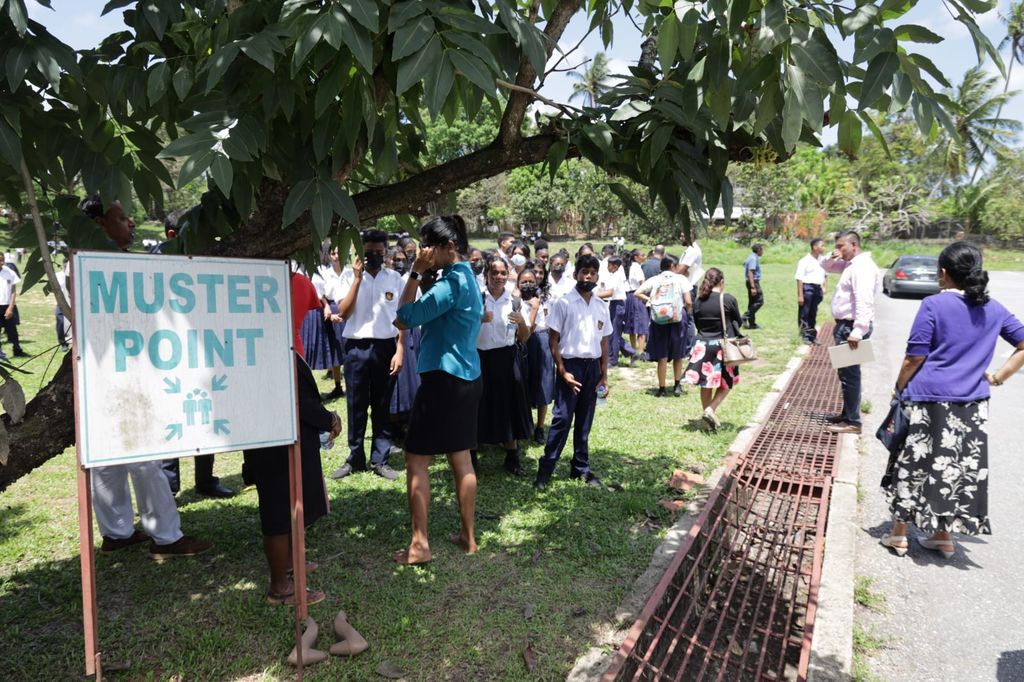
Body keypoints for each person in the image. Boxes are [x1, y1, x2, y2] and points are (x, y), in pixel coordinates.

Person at [80, 195, 211, 559]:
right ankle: (165, 537)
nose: (132, 224)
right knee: (142, 457)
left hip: (114, 370)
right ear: (100, 225)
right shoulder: (90, 264)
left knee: (111, 458)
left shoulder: (108, 262)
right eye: (122, 218)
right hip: (119, 372)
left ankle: (118, 532)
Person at [880, 241, 1024, 559]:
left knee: (914, 464)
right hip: (972, 405)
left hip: (927, 399)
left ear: (943, 273)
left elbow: (914, 357)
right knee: (954, 469)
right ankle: (943, 537)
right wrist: (998, 376)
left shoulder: (933, 305)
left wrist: (898, 388)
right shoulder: (995, 309)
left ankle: (900, 535)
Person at [244, 269, 342, 604]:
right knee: (277, 511)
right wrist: (329, 417)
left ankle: (288, 565)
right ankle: (280, 586)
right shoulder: (269, 347)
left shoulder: (267, 341)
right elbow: (297, 400)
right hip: (275, 438)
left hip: (279, 436)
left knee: (287, 506)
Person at [393, 215, 482, 564]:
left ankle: (419, 545)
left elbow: (404, 317)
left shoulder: (450, 284)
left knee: (416, 460)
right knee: (461, 457)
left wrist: (415, 273)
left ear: (448, 246)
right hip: (468, 377)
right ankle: (468, 536)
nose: (425, 252)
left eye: (430, 246)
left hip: (442, 380)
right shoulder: (469, 279)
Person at [331, 230, 405, 482]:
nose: (374, 256)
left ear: (386, 253)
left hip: (386, 347)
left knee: (382, 405)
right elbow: (343, 312)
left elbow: (403, 317)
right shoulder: (347, 277)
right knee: (356, 405)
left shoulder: (395, 279)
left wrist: (400, 349)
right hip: (357, 348)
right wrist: (357, 279)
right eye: (368, 252)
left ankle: (380, 459)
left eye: (379, 253)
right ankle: (355, 457)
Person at [533, 254, 611, 491]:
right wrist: (563, 371)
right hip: (570, 367)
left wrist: (604, 375)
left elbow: (605, 342)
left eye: (592, 273)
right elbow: (553, 340)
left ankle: (581, 469)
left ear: (597, 276)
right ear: (576, 274)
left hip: (593, 368)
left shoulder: (601, 306)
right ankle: (545, 471)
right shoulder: (564, 303)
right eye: (584, 272)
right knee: (562, 419)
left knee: (585, 421)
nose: (588, 276)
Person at [475, 256, 533, 475]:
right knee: (478, 405)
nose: (499, 277)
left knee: (509, 406)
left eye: (502, 273)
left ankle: (512, 457)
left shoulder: (514, 300)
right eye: (494, 273)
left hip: (507, 358)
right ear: (486, 274)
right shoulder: (477, 297)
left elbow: (524, 337)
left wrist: (521, 321)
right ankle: (472, 456)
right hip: (479, 358)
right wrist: (478, 319)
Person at [822, 230, 879, 434]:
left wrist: (858, 330)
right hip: (846, 326)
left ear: (854, 245)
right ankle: (847, 414)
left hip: (851, 327)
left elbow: (865, 301)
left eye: (841, 246)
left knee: (850, 375)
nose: (838, 250)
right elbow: (825, 266)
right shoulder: (850, 264)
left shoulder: (861, 268)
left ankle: (853, 421)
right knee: (845, 373)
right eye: (836, 246)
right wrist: (833, 255)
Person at [684, 268, 741, 431]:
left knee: (706, 383)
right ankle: (710, 409)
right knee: (727, 382)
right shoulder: (727, 299)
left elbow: (696, 322)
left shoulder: (698, 301)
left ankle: (707, 420)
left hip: (702, 345)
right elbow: (738, 321)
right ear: (721, 282)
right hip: (722, 346)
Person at [635, 255, 692, 397]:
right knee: (678, 353)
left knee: (662, 355)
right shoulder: (681, 279)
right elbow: (688, 301)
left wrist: (651, 301)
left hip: (659, 319)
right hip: (677, 318)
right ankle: (677, 385)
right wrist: (687, 312)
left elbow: (638, 293)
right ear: (673, 266)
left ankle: (662, 388)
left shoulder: (655, 279)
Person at [521, 263, 555, 445]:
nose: (527, 284)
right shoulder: (515, 300)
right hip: (524, 342)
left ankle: (540, 427)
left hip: (542, 341)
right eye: (524, 281)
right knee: (523, 383)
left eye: (531, 281)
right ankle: (525, 424)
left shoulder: (546, 299)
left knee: (544, 383)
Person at [596, 253, 636, 367]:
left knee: (613, 333)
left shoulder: (617, 276)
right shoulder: (613, 275)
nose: (607, 267)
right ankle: (631, 352)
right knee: (612, 332)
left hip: (616, 304)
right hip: (613, 304)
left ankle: (613, 360)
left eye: (609, 265)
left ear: (614, 266)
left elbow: (610, 292)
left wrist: (593, 295)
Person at [795, 238, 827, 344]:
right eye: (822, 245)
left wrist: (824, 286)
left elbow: (825, 275)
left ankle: (813, 336)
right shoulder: (804, 261)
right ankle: (805, 334)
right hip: (807, 287)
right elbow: (799, 278)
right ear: (815, 247)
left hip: (818, 288)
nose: (824, 248)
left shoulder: (823, 260)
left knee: (813, 312)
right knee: (805, 312)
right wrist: (800, 295)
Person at [624, 249, 650, 363]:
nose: (644, 257)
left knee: (631, 325)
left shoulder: (627, 267)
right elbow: (642, 284)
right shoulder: (637, 267)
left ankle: (632, 350)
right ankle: (640, 352)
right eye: (642, 255)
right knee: (641, 324)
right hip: (637, 295)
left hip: (628, 296)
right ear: (636, 257)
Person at [0, 251, 25, 359]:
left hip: (7, 306)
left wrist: (11, 307)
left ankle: (17, 350)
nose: (1, 262)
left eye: (2, 260)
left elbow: (14, 291)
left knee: (12, 330)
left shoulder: (9, 272)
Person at [740, 244, 764, 329]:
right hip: (753, 282)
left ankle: (752, 323)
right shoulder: (753, 258)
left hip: (750, 281)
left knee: (752, 303)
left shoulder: (751, 257)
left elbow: (744, 263)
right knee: (759, 301)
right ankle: (744, 317)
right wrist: (753, 287)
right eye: (762, 249)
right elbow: (751, 272)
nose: (763, 251)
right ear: (758, 250)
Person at [679, 232, 704, 298]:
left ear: (690, 237)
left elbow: (681, 270)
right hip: (688, 286)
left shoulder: (692, 250)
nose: (680, 238)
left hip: (688, 287)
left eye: (682, 236)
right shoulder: (690, 249)